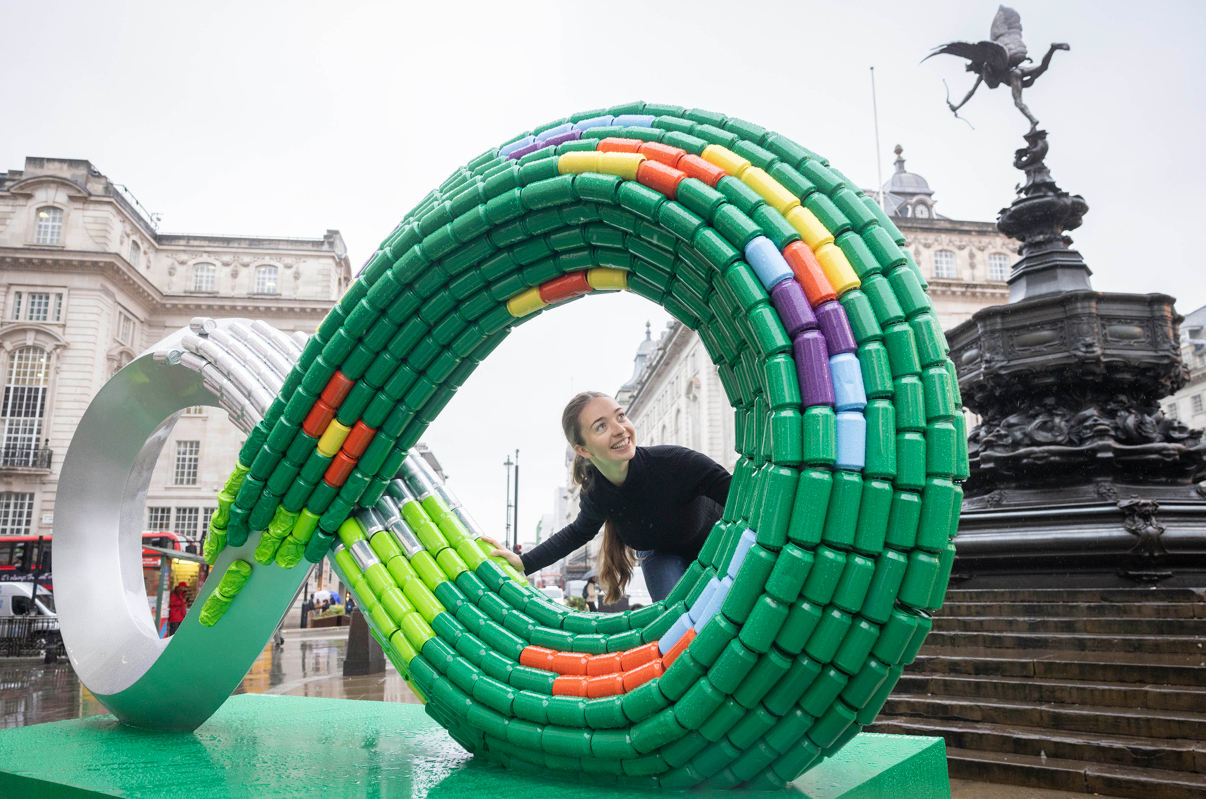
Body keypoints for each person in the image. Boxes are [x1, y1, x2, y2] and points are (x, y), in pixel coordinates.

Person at [489, 392, 730, 605]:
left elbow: (738, 495)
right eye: (601, 426)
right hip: (661, 554)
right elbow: (576, 533)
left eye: (621, 416)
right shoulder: (596, 493)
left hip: (721, 541)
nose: (619, 429)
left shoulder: (677, 463)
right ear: (583, 450)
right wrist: (523, 562)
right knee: (678, 621)